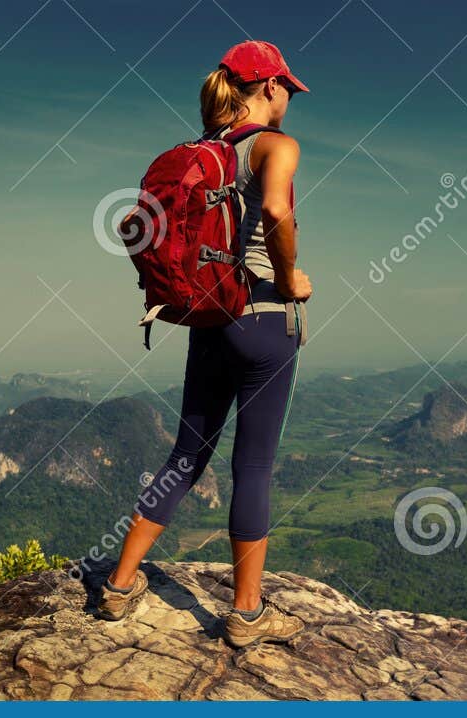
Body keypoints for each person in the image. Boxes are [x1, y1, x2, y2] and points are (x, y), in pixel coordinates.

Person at [97, 41, 314, 650]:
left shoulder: (203, 154)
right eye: (287, 90)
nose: (289, 100)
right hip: (265, 321)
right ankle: (246, 614)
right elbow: (275, 208)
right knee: (253, 466)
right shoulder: (276, 146)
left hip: (209, 318)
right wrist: (290, 274)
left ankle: (119, 584)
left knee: (186, 456)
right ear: (268, 87)